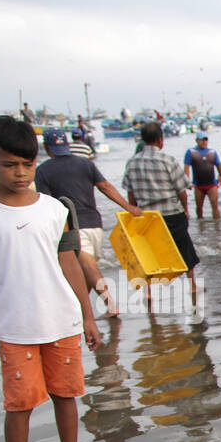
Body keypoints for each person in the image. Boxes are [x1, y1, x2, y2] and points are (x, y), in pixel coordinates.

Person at [0, 117, 101, 442]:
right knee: (19, 405)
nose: (20, 173)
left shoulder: (55, 209)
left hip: (62, 320)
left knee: (66, 396)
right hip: (14, 327)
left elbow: (69, 263)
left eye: (28, 163)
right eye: (9, 164)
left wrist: (88, 316)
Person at [35, 128, 141, 318]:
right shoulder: (85, 163)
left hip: (73, 227)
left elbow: (44, 203)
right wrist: (128, 207)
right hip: (95, 224)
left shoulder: (43, 170)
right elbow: (105, 186)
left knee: (89, 268)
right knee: (87, 270)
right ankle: (79, 310)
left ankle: (110, 305)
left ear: (47, 148)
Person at [121, 121, 201, 307]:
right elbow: (182, 189)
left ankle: (148, 292)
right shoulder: (168, 160)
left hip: (147, 216)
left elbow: (130, 192)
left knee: (147, 254)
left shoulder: (131, 163)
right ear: (160, 140)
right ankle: (192, 284)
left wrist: (134, 209)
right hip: (172, 215)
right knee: (185, 248)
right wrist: (186, 210)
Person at [183, 132, 221, 220]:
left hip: (211, 185)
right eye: (201, 140)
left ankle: (217, 226)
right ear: (197, 141)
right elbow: (186, 168)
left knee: (215, 205)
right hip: (198, 185)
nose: (204, 142)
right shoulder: (191, 152)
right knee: (199, 207)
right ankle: (201, 227)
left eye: (205, 140)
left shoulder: (212, 152)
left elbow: (219, 166)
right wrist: (187, 182)